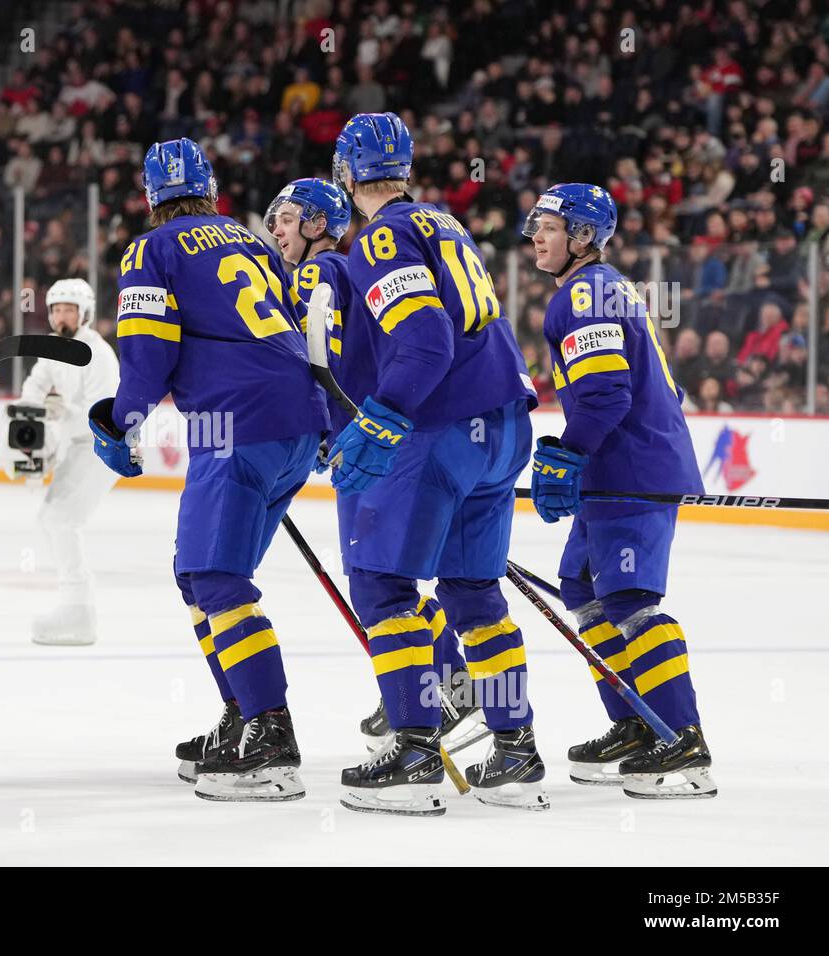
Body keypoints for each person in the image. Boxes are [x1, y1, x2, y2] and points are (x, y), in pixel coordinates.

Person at [88, 137, 328, 801]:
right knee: (196, 572)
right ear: (211, 190)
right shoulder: (252, 241)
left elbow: (147, 354)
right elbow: (299, 330)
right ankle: (242, 715)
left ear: (149, 197)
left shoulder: (151, 250)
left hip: (238, 428)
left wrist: (120, 421)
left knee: (216, 577)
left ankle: (270, 734)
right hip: (295, 423)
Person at [329, 113, 541, 815]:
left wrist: (382, 415)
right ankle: (515, 748)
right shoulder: (442, 222)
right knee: (474, 595)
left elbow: (424, 341)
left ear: (348, 173)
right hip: (505, 420)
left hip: (445, 425)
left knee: (382, 584)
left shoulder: (382, 235)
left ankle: (415, 747)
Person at [265, 176, 479, 752]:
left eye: (287, 219)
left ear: (316, 224)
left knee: (379, 584)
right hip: (371, 432)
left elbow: (313, 360)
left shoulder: (320, 271)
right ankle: (446, 687)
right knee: (388, 582)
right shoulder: (346, 266)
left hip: (367, 440)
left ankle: (428, 700)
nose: (276, 230)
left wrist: (316, 423)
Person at [525, 183, 716, 799]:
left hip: (629, 472)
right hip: (621, 469)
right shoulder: (606, 287)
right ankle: (636, 720)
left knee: (631, 603)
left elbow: (607, 392)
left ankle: (681, 740)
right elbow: (656, 389)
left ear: (582, 237)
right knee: (581, 587)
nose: (535, 237)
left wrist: (569, 452)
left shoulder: (584, 291)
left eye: (549, 228)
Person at [8, 277, 119, 645]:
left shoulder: (97, 354)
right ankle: (76, 607)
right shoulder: (52, 349)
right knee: (53, 518)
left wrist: (60, 411)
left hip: (102, 445)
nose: (60, 316)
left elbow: (102, 412)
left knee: (61, 519)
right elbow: (33, 389)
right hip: (77, 443)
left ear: (84, 312)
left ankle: (79, 610)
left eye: (68, 308)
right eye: (55, 309)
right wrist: (29, 419)